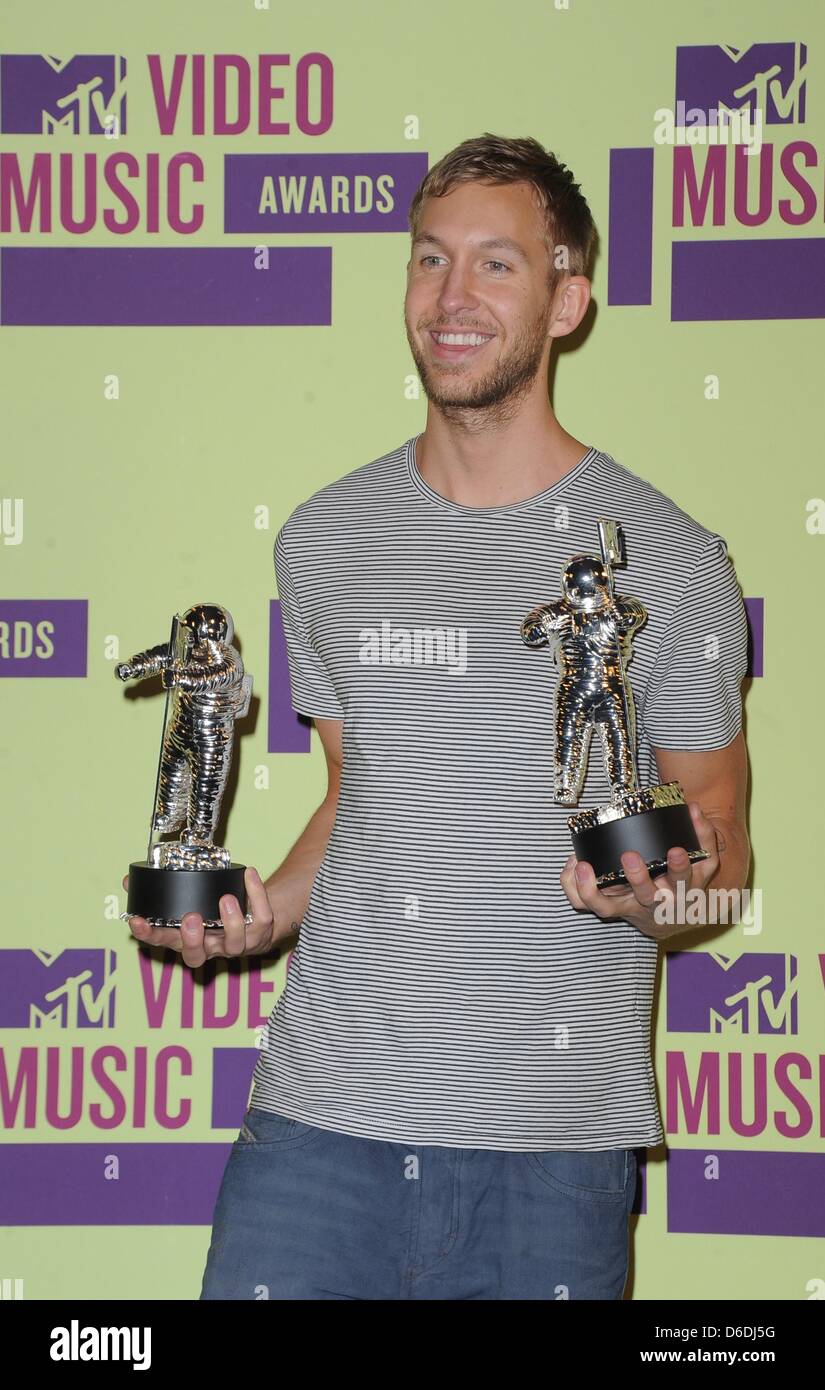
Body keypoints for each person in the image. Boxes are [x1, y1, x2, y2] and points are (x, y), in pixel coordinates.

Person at [123, 134, 751, 1300]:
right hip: (320, 1132)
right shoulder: (322, 542)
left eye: (495, 266)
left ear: (568, 301)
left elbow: (723, 850)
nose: (452, 299)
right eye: (429, 260)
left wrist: (669, 891)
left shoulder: (673, 556)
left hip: (553, 1154)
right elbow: (361, 801)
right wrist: (259, 919)